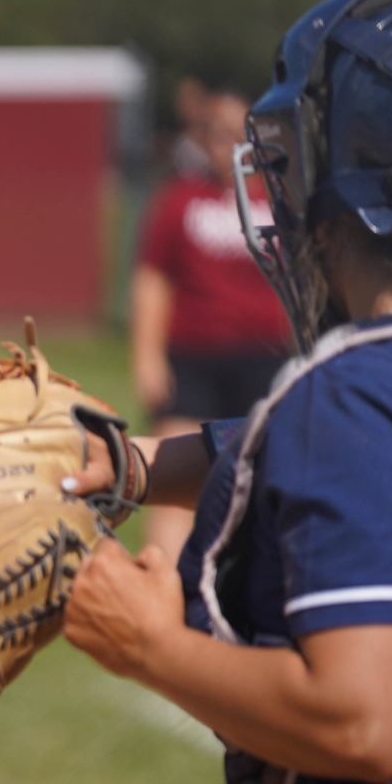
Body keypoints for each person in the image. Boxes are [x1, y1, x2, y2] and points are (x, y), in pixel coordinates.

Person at [63, 0, 392, 784]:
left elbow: (365, 719)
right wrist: (132, 465)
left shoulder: (346, 394)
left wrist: (148, 646)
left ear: (337, 218)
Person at [129, 81, 294, 560]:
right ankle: (163, 590)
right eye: (214, 132)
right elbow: (152, 280)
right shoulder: (180, 199)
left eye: (236, 132)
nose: (226, 144)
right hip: (195, 356)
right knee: (171, 479)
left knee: (265, 482)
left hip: (265, 357)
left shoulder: (281, 200)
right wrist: (147, 357)